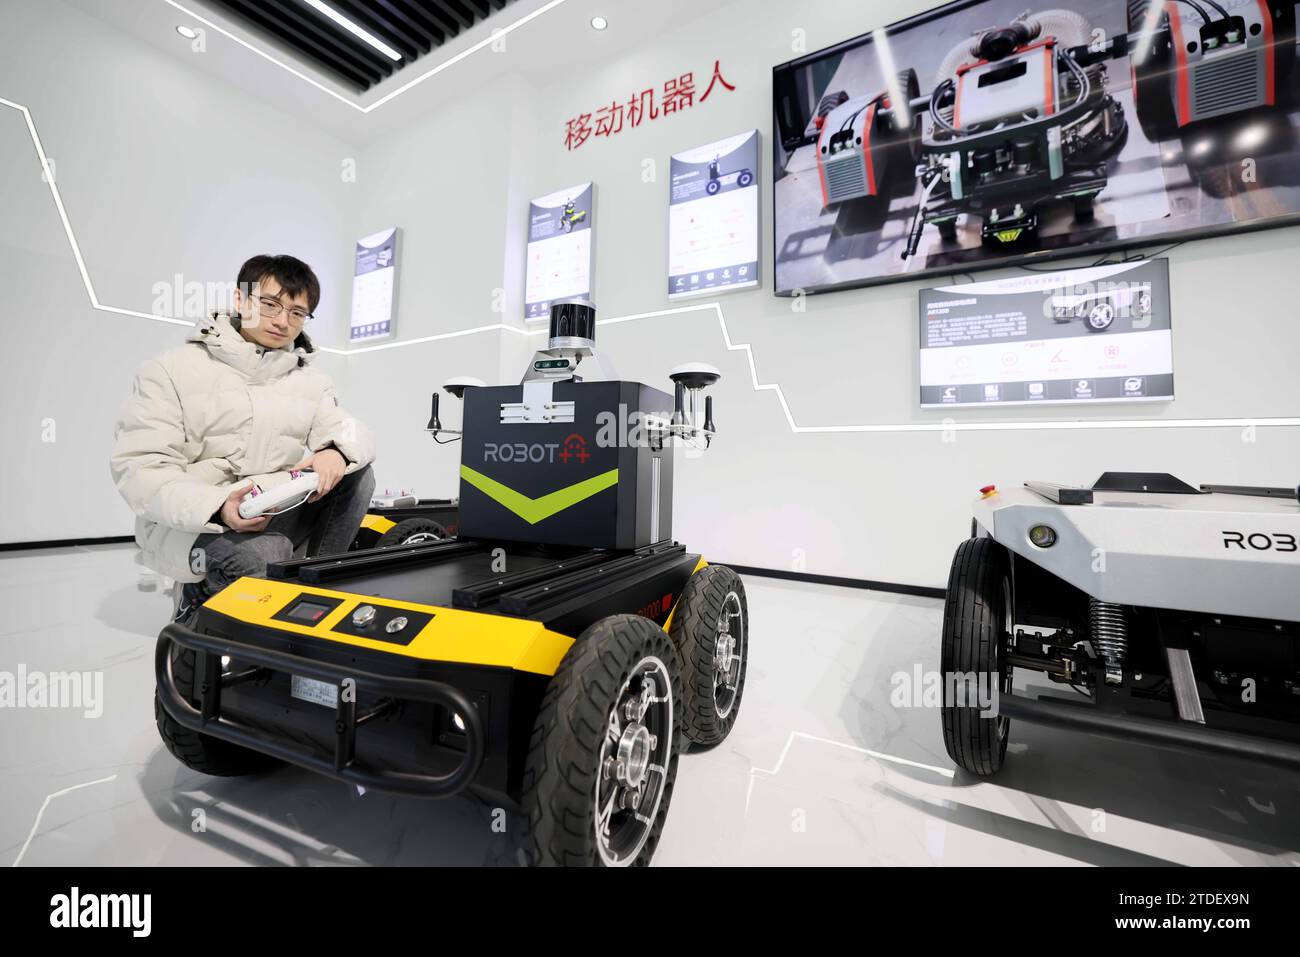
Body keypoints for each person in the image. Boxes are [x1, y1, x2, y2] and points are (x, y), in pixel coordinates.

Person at [110, 255, 376, 622]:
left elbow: (351, 430)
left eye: (297, 313)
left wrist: (336, 451)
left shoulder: (310, 381)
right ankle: (199, 597)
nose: (283, 321)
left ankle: (312, 588)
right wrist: (218, 506)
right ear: (240, 300)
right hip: (192, 523)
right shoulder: (170, 370)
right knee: (266, 551)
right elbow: (141, 469)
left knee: (356, 474)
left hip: (266, 509)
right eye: (270, 305)